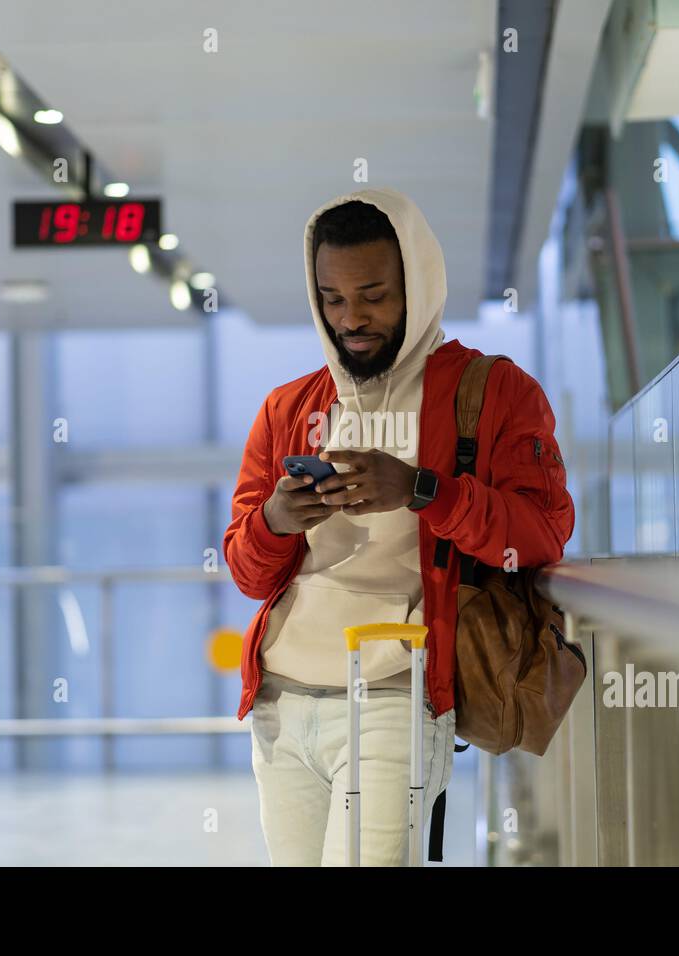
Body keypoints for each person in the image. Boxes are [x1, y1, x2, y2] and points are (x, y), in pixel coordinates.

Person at [223, 187, 574, 865]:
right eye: (332, 298)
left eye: (374, 294)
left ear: (417, 281)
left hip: (394, 695)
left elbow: (539, 534)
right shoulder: (288, 408)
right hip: (279, 704)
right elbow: (246, 570)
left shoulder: (494, 392)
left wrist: (419, 490)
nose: (351, 317)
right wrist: (277, 519)